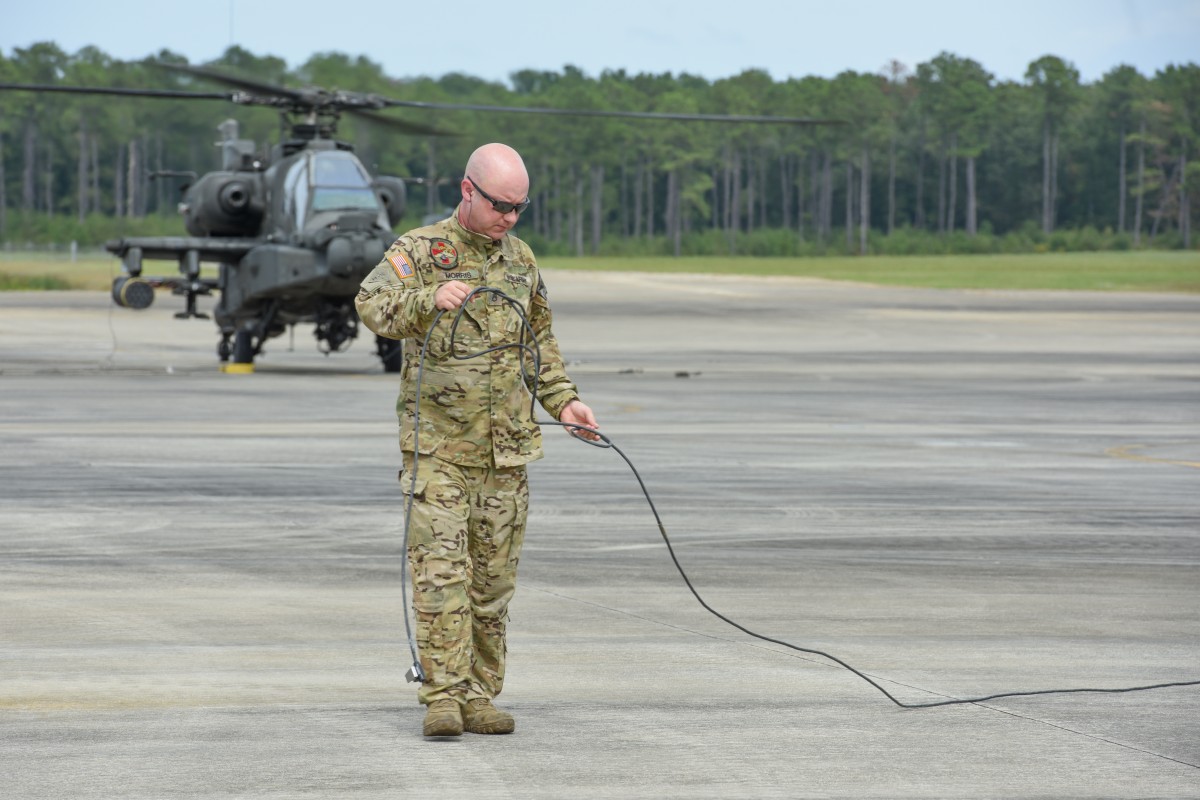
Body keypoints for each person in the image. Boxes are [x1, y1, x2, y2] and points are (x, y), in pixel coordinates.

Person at [355, 143, 598, 737]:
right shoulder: (421, 250)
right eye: (500, 206)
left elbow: (539, 340)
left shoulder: (520, 261)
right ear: (468, 191)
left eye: (520, 207)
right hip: (438, 451)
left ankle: (480, 696)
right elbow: (370, 304)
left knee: (491, 586)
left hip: (506, 454)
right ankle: (442, 697)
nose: (510, 218)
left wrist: (564, 401)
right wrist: (426, 300)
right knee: (442, 578)